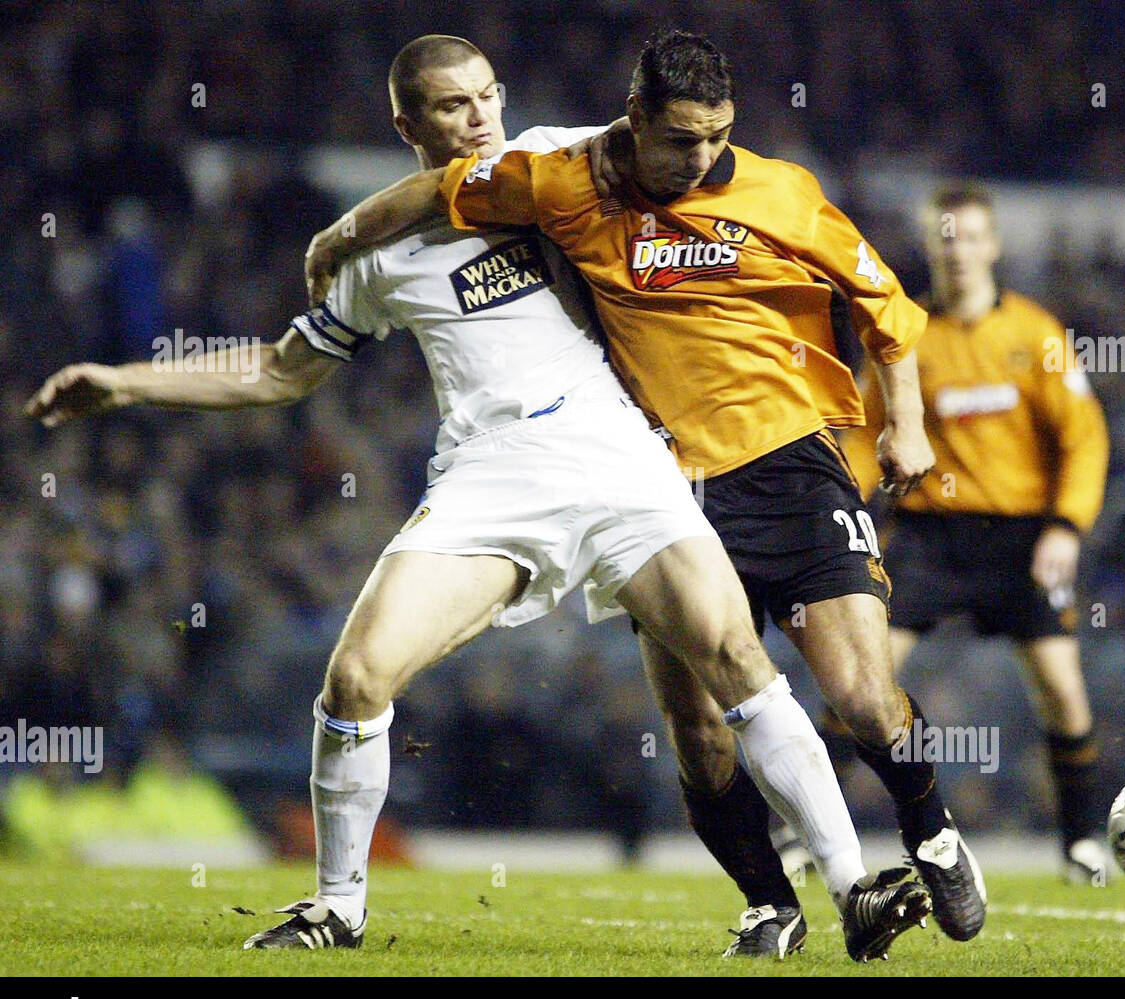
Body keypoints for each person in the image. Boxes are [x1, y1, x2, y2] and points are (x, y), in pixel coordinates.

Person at [26, 34, 929, 962]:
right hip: (492, 477)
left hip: (621, 457)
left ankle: (855, 886)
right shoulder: (384, 260)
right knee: (357, 676)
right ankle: (338, 906)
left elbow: (717, 203)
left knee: (735, 654)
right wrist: (126, 381)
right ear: (406, 123)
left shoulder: (569, 164)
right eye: (454, 107)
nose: (481, 118)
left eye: (489, 96)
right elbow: (276, 373)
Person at [306, 29, 986, 949]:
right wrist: (341, 236)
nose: (702, 158)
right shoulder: (563, 180)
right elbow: (436, 189)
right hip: (659, 484)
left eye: (717, 137)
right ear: (635, 121)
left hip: (787, 460)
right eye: (680, 140)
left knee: (863, 700)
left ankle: (931, 829)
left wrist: (902, 423)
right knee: (702, 740)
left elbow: (888, 307)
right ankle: (771, 906)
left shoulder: (780, 190)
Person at [840, 182, 1111, 882]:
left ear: (993, 245)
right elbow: (870, 434)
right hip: (929, 536)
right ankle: (808, 830)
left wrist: (1066, 526)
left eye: (969, 235)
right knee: (862, 682)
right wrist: (846, 504)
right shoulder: (906, 337)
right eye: (945, 235)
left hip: (1023, 537)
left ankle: (1080, 842)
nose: (957, 248)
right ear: (931, 245)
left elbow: (1084, 438)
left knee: (1062, 689)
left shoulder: (1034, 334)